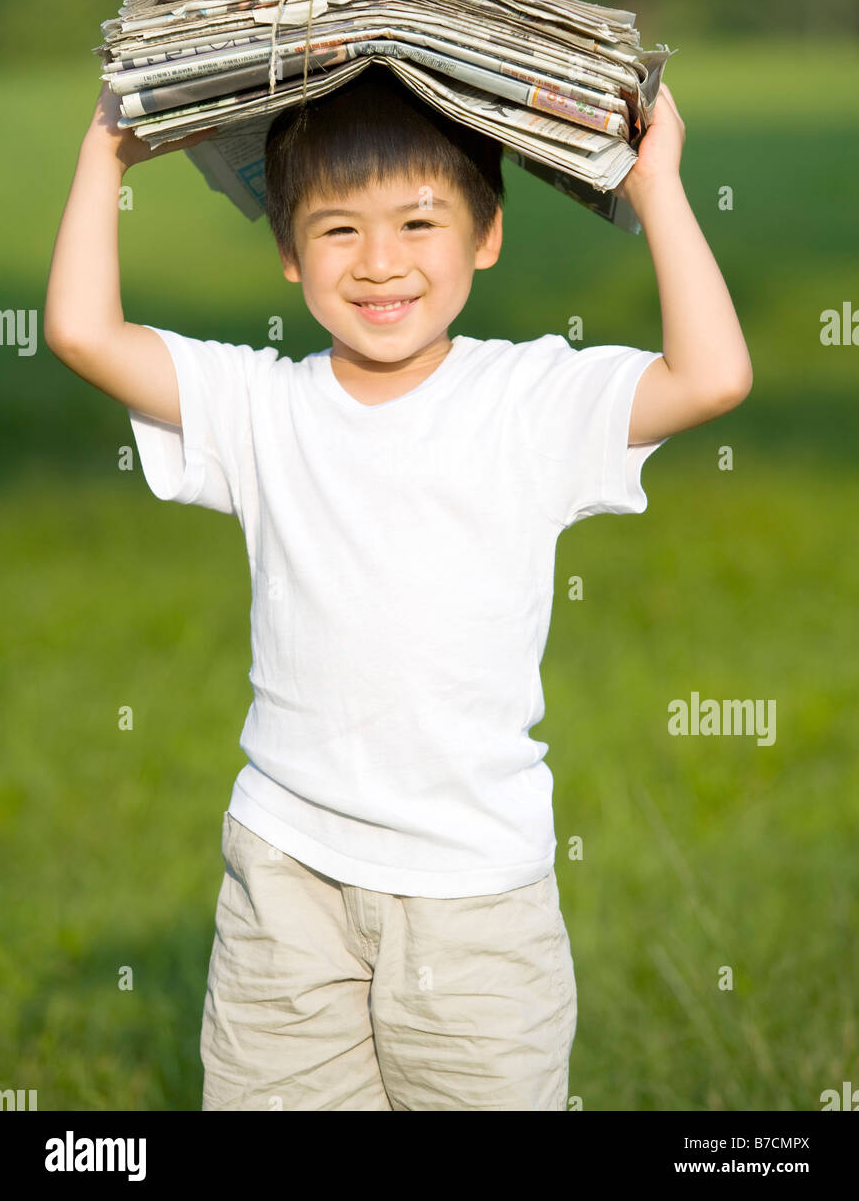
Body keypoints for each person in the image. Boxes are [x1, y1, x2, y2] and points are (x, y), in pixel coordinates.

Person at [44, 62, 752, 1111]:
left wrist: (657, 188)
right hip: (290, 880)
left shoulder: (527, 398)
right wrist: (108, 148)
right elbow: (82, 333)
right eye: (337, 231)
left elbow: (712, 375)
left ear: (487, 235)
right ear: (288, 253)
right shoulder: (262, 405)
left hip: (476, 899)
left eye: (420, 225)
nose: (380, 264)